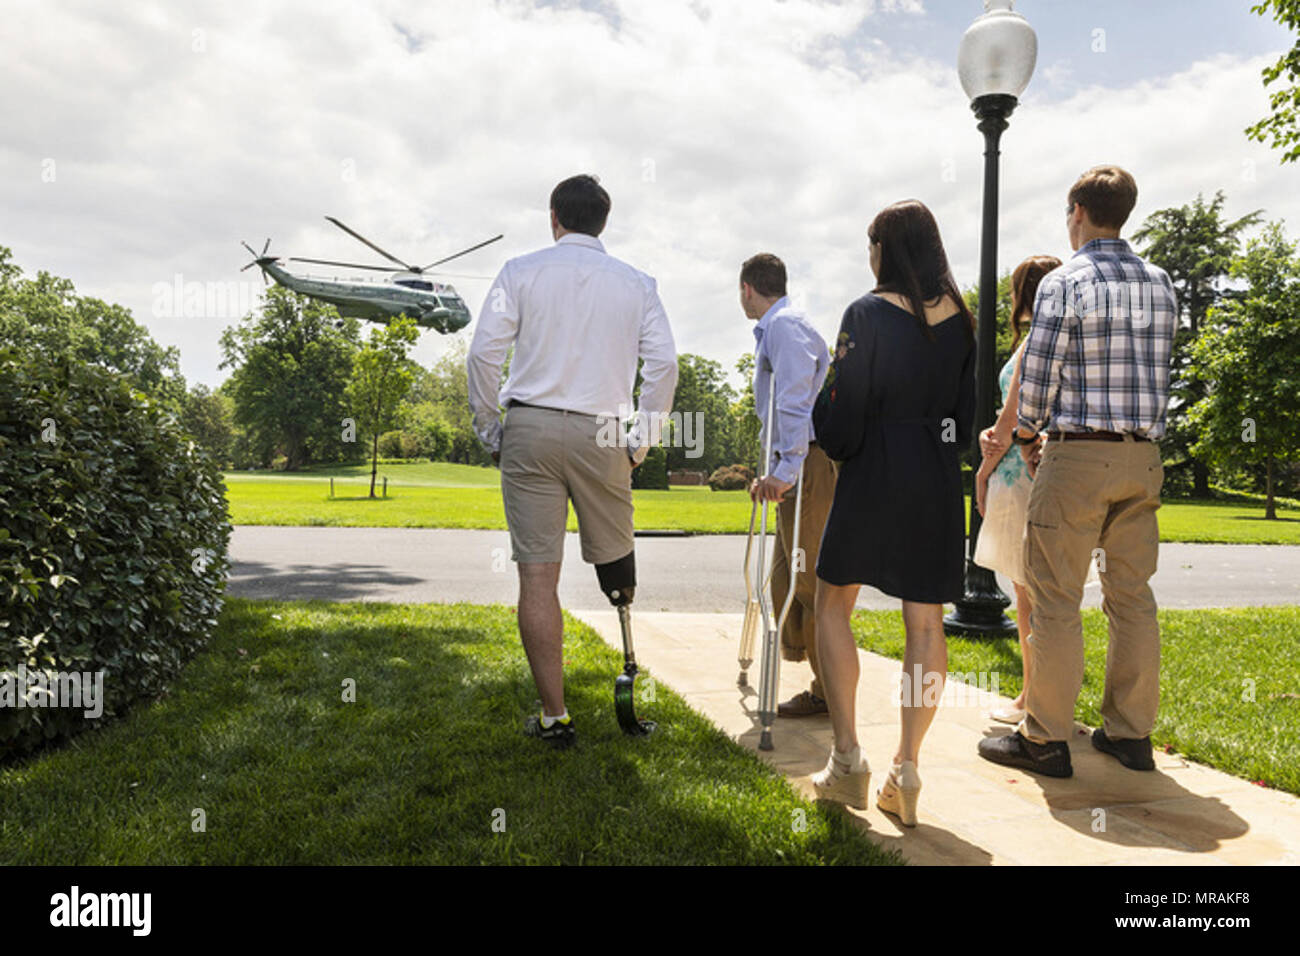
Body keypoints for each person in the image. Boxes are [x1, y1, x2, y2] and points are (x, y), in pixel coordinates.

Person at [977, 165, 1177, 778]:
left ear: (1079, 212)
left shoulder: (1065, 282)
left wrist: (1030, 437)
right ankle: (1129, 734)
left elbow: (1034, 388)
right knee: (1132, 598)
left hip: (1077, 456)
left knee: (1056, 599)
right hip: (1142, 457)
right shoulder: (1161, 282)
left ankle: (1044, 740)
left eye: (1069, 214)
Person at [466, 174, 678, 749]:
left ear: (554, 218)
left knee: (537, 575)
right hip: (605, 430)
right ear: (602, 222)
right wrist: (639, 442)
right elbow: (663, 369)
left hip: (530, 425)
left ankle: (555, 717)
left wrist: (492, 430)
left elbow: (484, 354)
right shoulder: (637, 283)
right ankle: (628, 659)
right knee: (617, 564)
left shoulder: (520, 271)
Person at [809, 200, 976, 826]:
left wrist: (839, 439)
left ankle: (848, 758)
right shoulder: (963, 322)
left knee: (832, 603)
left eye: (870, 242)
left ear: (886, 248)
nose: (867, 254)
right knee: (925, 625)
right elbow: (964, 416)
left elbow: (841, 411)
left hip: (874, 471)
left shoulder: (867, 312)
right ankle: (906, 769)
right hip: (934, 477)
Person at [739, 253, 835, 718]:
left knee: (810, 581)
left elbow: (794, 400)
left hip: (807, 467)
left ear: (747, 288)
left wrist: (785, 469)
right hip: (794, 465)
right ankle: (815, 679)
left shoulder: (785, 327)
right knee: (784, 579)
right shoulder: (781, 326)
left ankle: (829, 693)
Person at [973, 255, 1061, 724]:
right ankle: (1040, 694)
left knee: (1029, 595)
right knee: (1039, 593)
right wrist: (995, 433)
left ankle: (1032, 699)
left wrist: (982, 471)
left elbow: (1013, 419)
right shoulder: (1058, 341)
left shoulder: (1035, 345)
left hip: (1020, 475)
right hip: (1034, 467)